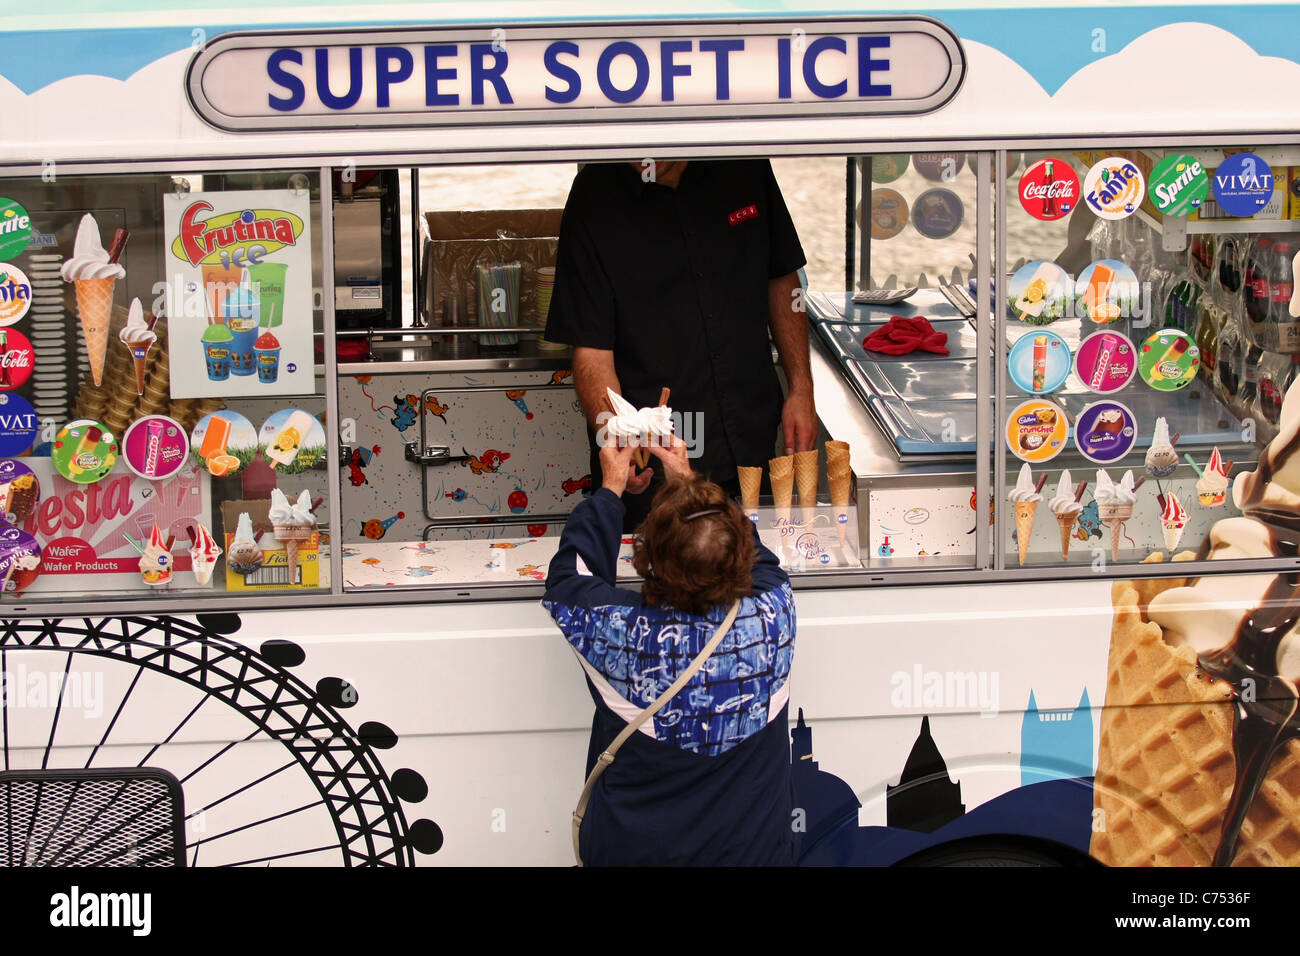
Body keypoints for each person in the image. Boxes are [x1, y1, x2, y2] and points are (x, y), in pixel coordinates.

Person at [542, 435, 797, 866]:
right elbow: (756, 557)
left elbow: (571, 577)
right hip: (754, 853)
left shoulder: (617, 632)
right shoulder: (775, 613)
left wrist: (611, 488)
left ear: (646, 560)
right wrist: (688, 480)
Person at [545, 159, 817, 529]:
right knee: (659, 581)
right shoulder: (595, 195)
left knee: (756, 569)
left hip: (752, 437)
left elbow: (784, 279)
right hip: (652, 460)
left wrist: (801, 388)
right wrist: (617, 438)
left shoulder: (744, 165)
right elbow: (591, 351)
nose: (643, 158)